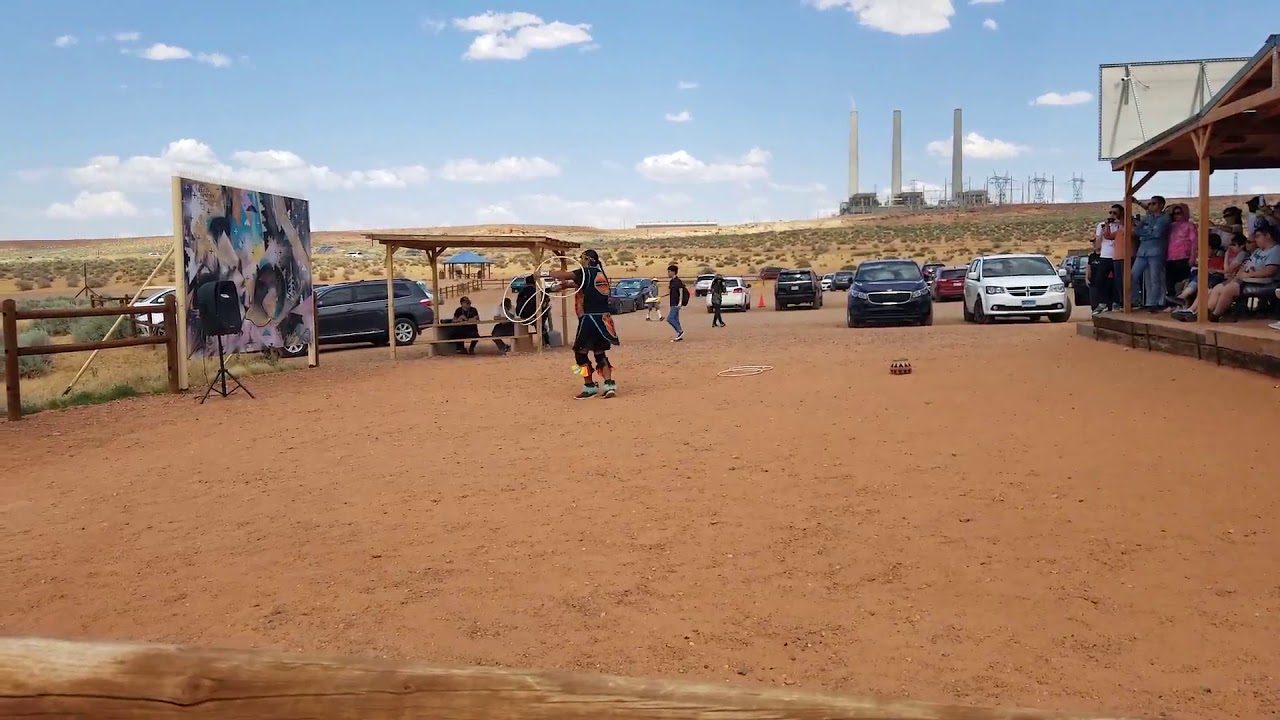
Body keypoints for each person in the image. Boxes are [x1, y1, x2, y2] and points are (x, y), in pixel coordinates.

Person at [547, 249, 620, 399]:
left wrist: (545, 274)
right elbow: (574, 283)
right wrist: (556, 287)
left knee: (580, 353)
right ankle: (609, 385)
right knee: (599, 352)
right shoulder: (599, 274)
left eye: (582, 258)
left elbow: (565, 275)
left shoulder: (585, 272)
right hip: (603, 320)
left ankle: (589, 386)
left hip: (589, 319)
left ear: (587, 259)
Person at [1202, 224, 1280, 322]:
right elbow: (1245, 265)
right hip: (1248, 279)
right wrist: (1236, 277)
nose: (1256, 239)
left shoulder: (1276, 250)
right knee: (1219, 287)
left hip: (1265, 281)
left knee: (1229, 289)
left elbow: (1270, 271)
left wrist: (1248, 275)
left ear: (1268, 235)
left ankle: (1215, 315)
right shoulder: (1258, 251)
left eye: (1258, 236)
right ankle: (1206, 311)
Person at [1131, 195, 1172, 311]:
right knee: (1132, 276)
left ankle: (1154, 303)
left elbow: (1157, 233)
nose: (1150, 205)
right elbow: (1137, 231)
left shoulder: (1165, 218)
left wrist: (1145, 232)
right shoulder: (1147, 218)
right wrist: (1149, 231)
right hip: (1142, 251)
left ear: (1161, 205)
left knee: (1155, 278)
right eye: (1149, 203)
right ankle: (1136, 300)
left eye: (1154, 203)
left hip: (1156, 251)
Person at [1092, 203, 1123, 313]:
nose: (1112, 215)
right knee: (1100, 281)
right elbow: (1097, 246)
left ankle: (1118, 302)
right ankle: (1102, 303)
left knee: (1118, 281)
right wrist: (1103, 230)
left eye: (1115, 213)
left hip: (1117, 256)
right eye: (1110, 212)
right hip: (1105, 256)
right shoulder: (1102, 225)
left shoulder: (1121, 225)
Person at [1165, 203, 1197, 300]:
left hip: (1184, 256)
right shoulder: (1171, 226)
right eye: (1174, 214)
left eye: (1179, 213)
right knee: (1170, 281)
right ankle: (1172, 300)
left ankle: (1183, 300)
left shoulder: (1190, 225)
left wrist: (1193, 257)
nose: (1176, 216)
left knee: (1183, 280)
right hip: (1170, 257)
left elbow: (1194, 242)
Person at [667, 264, 690, 342]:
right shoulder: (671, 281)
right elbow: (669, 292)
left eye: (669, 271)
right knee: (676, 319)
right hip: (672, 303)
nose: (668, 273)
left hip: (676, 303)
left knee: (670, 318)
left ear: (673, 272)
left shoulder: (678, 281)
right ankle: (679, 334)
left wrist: (680, 302)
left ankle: (680, 331)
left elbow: (681, 292)